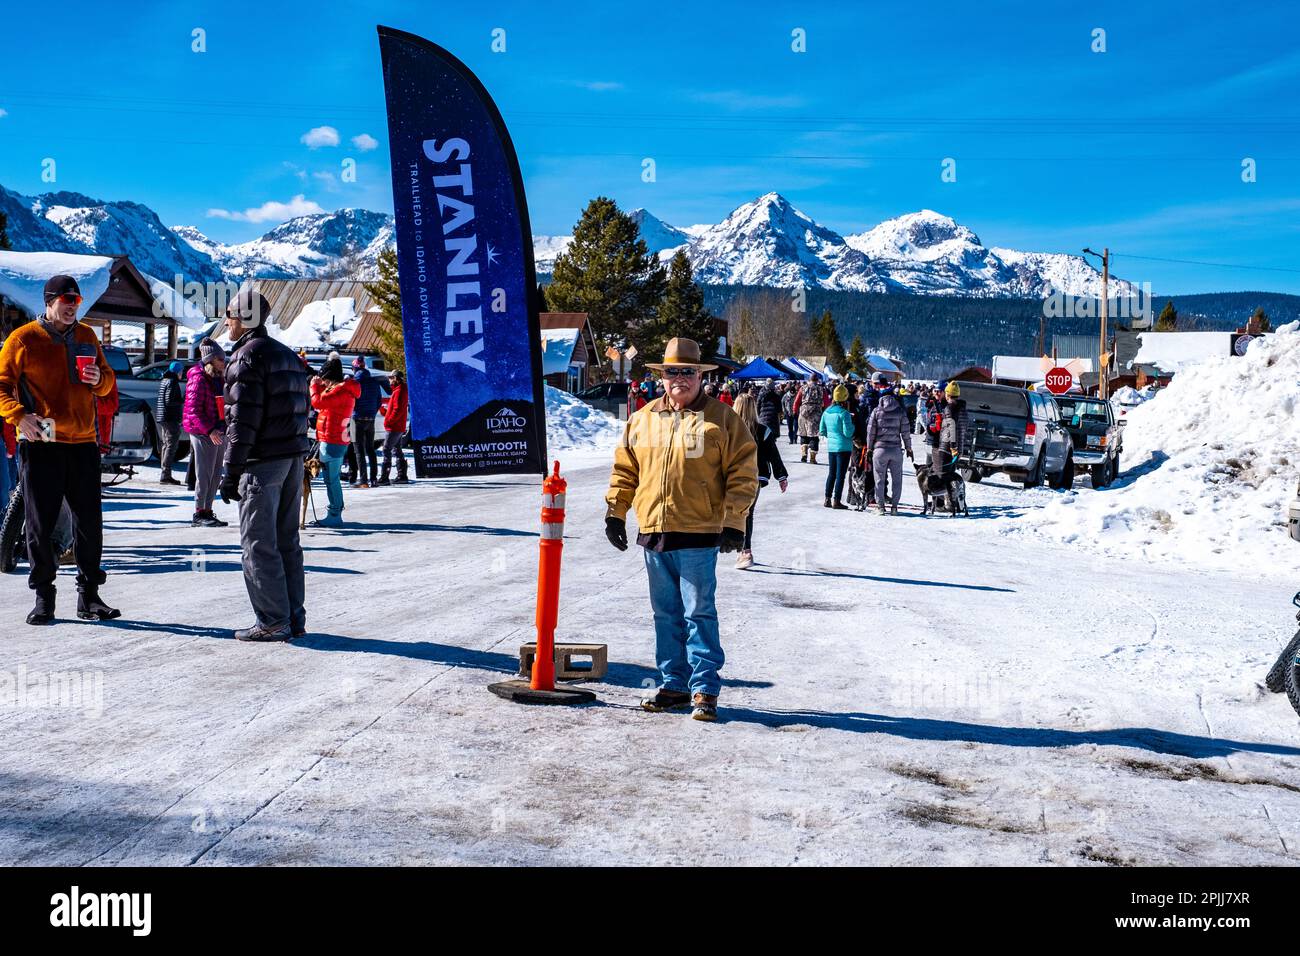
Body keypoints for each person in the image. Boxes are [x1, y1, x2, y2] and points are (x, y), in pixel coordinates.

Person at [604, 338, 757, 722]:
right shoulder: (642, 419)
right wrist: (615, 513)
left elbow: (744, 473)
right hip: (654, 533)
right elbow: (626, 471)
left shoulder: (723, 419)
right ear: (662, 376)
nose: (679, 379)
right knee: (665, 614)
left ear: (700, 376)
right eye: (672, 371)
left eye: (687, 372)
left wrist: (734, 521)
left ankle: (704, 689)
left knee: (698, 613)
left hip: (699, 533)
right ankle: (673, 684)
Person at [0, 274, 119, 624]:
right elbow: (2, 386)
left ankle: (89, 597)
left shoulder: (86, 336)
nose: (71, 307)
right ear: (49, 302)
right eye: (66, 301)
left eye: (77, 302)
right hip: (41, 444)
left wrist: (101, 380)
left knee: (89, 524)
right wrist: (18, 416)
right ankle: (43, 598)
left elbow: (107, 383)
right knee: (40, 524)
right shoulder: (23, 340)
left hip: (82, 442)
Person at [220, 288, 312, 642]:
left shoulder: (246, 357)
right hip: (292, 459)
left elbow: (242, 422)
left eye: (229, 314)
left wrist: (230, 472)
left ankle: (272, 621)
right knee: (287, 540)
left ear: (243, 318)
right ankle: (293, 617)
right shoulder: (287, 355)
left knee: (258, 543)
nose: (226, 321)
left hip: (262, 464)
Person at [732, 392, 787, 570]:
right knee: (747, 512)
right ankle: (745, 551)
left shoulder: (728, 429)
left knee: (732, 511)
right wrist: (781, 476)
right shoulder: (762, 430)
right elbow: (773, 454)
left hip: (731, 476)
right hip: (755, 476)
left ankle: (736, 548)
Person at [183, 338, 229, 528]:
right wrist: (209, 430)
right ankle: (199, 511)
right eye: (221, 359)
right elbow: (193, 410)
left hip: (218, 430)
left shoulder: (217, 378)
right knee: (204, 473)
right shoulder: (199, 378)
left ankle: (208, 510)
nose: (224, 363)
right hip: (203, 432)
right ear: (211, 359)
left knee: (216, 473)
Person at [309, 356, 360, 527]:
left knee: (331, 480)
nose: (323, 383)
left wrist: (314, 386)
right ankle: (335, 511)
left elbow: (317, 402)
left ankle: (335, 514)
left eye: (325, 380)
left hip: (332, 440)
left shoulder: (341, 391)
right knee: (332, 478)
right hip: (335, 439)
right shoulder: (344, 389)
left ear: (330, 378)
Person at [866, 375, 914, 515]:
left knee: (879, 479)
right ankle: (894, 507)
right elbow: (906, 432)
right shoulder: (900, 411)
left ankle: (880, 507)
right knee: (897, 480)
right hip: (895, 449)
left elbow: (870, 432)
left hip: (880, 449)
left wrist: (869, 448)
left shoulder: (876, 411)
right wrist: (909, 448)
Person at [347, 356, 382, 488]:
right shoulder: (374, 382)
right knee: (370, 449)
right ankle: (374, 479)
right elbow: (378, 401)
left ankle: (363, 480)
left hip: (357, 419)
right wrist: (372, 412)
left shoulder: (354, 382)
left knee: (358, 450)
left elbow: (351, 400)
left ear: (355, 368)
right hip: (370, 419)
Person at [818, 383, 855, 508]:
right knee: (840, 475)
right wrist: (853, 424)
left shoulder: (826, 412)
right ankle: (837, 501)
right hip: (844, 447)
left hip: (832, 447)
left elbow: (822, 430)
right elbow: (848, 432)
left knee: (831, 473)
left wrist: (832, 436)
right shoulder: (844, 414)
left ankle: (827, 499)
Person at [153, 361, 185, 485]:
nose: (182, 374)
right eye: (181, 371)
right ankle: (166, 474)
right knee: (171, 446)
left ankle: (164, 474)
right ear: (178, 372)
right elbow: (169, 401)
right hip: (169, 418)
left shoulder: (165, 380)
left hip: (163, 417)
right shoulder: (172, 382)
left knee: (166, 445)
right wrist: (182, 400)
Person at [379, 368, 409, 485]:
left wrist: (389, 421)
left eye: (391, 378)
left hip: (394, 427)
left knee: (386, 449)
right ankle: (402, 475)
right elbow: (395, 409)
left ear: (396, 378)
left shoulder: (400, 391)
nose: (389, 380)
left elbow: (397, 410)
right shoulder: (398, 390)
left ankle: (384, 477)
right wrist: (385, 413)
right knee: (397, 450)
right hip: (397, 426)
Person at [793, 377, 826, 464]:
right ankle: (812, 458)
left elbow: (797, 401)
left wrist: (795, 411)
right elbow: (826, 402)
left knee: (803, 434)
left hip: (803, 413)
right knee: (814, 436)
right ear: (817, 380)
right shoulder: (821, 389)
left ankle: (804, 455)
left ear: (809, 380)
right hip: (816, 414)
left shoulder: (803, 388)